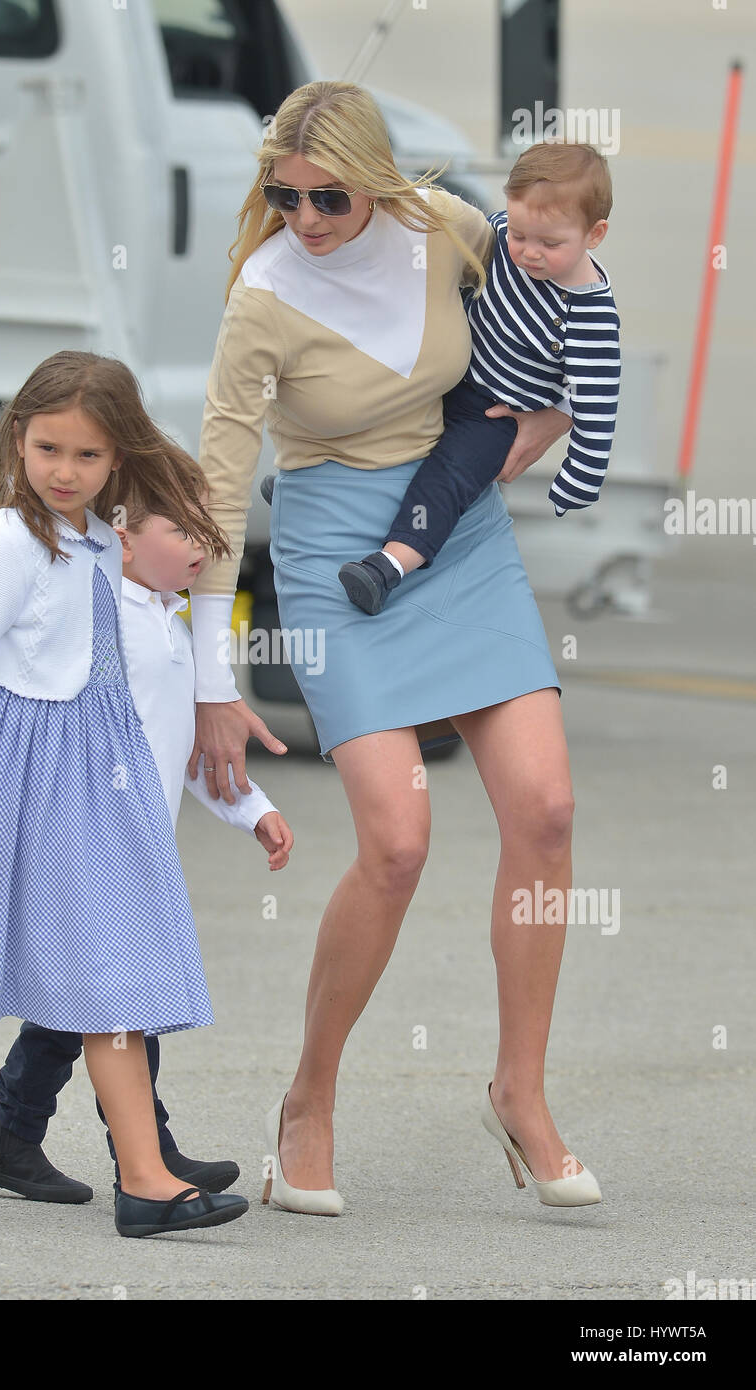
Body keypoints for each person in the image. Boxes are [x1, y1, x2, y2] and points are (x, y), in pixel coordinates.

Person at [188, 81, 603, 1214]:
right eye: (284, 196)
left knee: (547, 811)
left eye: (329, 197)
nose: (306, 219)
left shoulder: (448, 229)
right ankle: (308, 1098)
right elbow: (222, 490)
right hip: (333, 559)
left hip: (455, 532)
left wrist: (552, 417)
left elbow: (566, 295)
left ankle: (517, 1090)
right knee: (397, 840)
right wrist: (207, 675)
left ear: (376, 182)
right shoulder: (263, 294)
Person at [0, 351, 250, 1238]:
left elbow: (173, 591)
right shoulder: (5, 542)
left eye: (88, 456)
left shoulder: (106, 538)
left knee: (111, 975)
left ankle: (143, 1180)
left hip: (88, 781)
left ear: (118, 459)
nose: (64, 472)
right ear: (16, 438)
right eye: (48, 447)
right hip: (1, 773)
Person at [0, 487, 294, 1203]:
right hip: (88, 843)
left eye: (206, 533)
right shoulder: (105, 623)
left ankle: (12, 1137)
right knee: (119, 1000)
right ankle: (147, 1157)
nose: (200, 547)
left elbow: (186, 750)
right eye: (180, 530)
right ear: (120, 538)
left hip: (133, 847)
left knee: (81, 1004)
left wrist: (253, 810)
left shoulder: (170, 629)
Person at [335, 141, 620, 614]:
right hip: (447, 369)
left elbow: (598, 406)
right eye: (521, 234)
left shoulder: (590, 316)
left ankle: (388, 567)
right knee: (376, 406)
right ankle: (310, 483)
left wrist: (576, 483)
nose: (529, 252)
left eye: (550, 243)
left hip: (495, 415)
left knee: (447, 478)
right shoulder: (503, 231)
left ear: (595, 234)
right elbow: (458, 253)